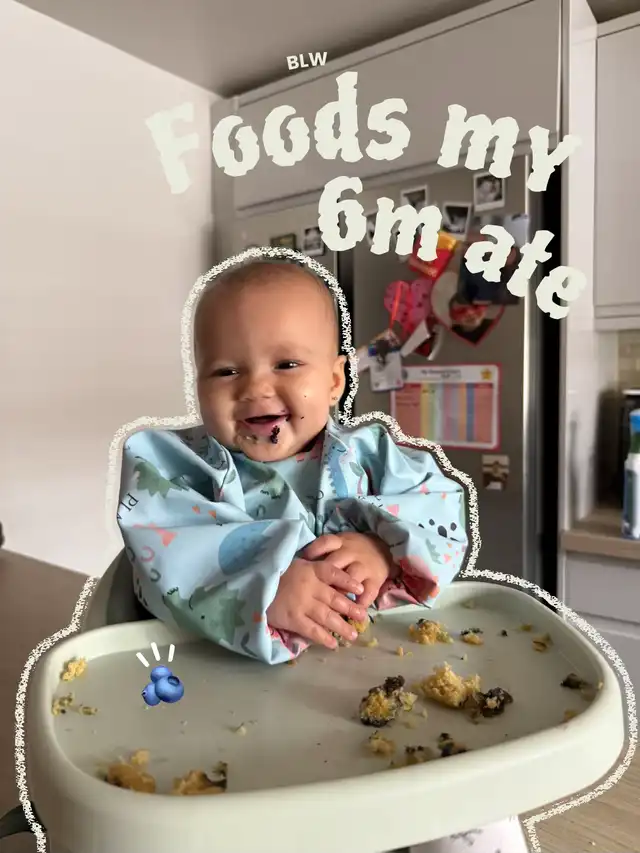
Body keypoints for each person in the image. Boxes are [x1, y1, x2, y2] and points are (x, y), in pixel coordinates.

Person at [116, 258, 529, 853]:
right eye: (226, 370)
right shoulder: (175, 469)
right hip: (232, 711)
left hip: (382, 685)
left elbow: (440, 508)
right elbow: (163, 545)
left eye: (286, 364)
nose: (256, 387)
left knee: (473, 803)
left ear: (336, 380)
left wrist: (385, 550)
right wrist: (267, 583)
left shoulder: (373, 457)